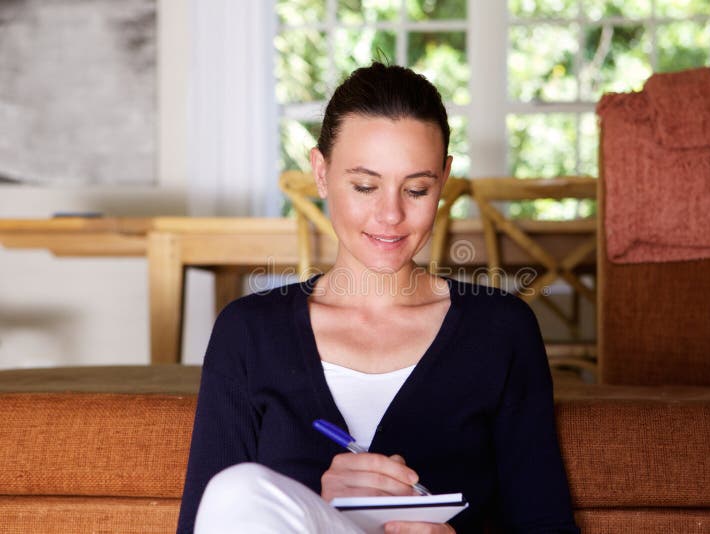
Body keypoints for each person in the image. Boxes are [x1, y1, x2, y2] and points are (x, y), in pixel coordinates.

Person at [177, 62, 578, 534]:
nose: (390, 215)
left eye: (416, 188)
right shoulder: (248, 332)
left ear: (444, 180)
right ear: (321, 174)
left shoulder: (501, 330)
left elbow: (546, 524)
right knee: (237, 490)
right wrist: (315, 509)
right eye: (365, 186)